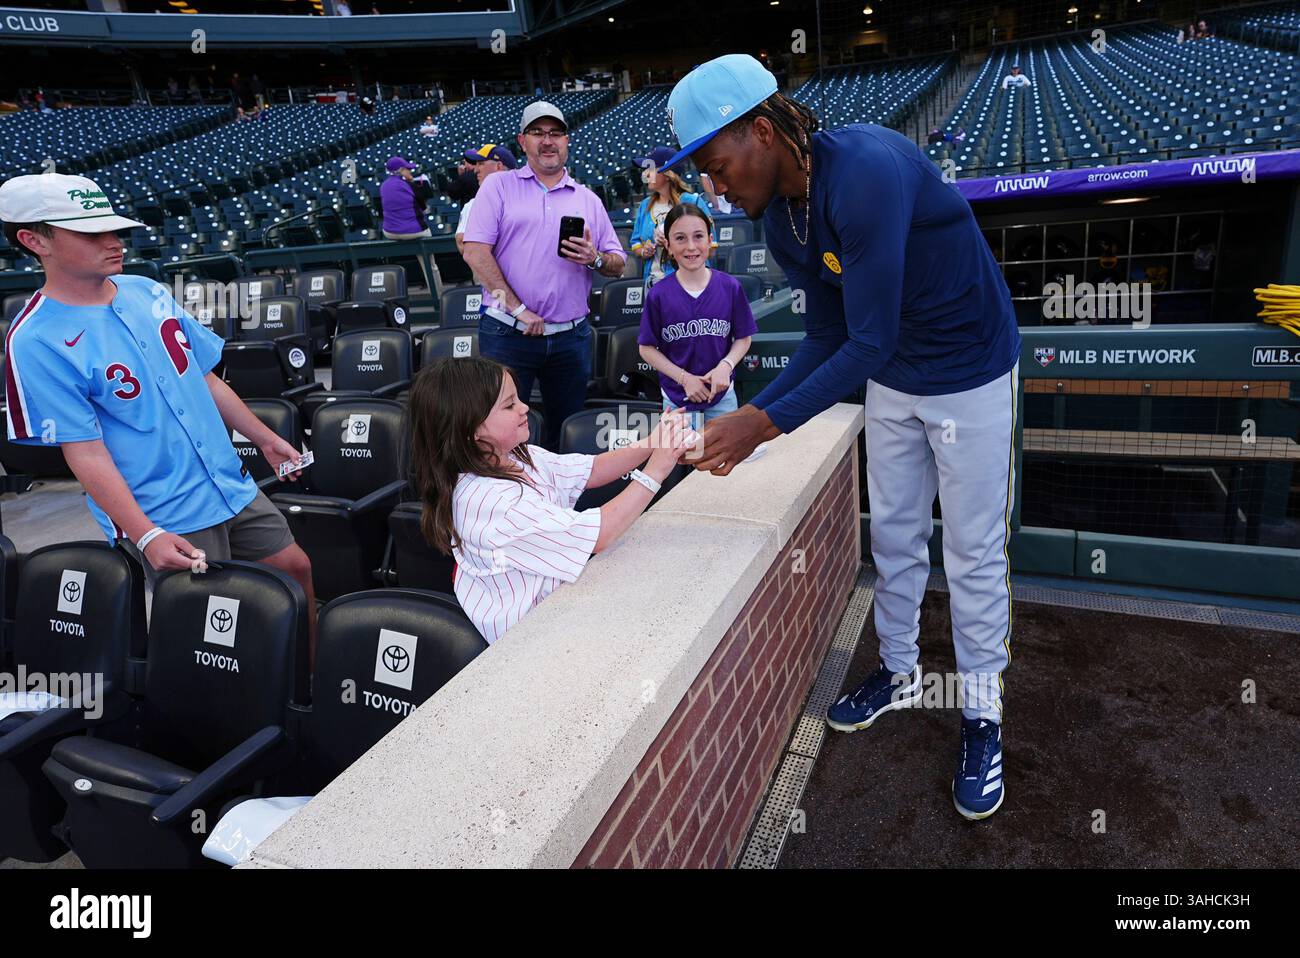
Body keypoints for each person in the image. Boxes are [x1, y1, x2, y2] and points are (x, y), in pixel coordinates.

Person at [663, 54, 1022, 821]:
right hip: (897, 373)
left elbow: (866, 339)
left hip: (969, 368)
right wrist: (754, 418)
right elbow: (826, 333)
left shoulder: (861, 170)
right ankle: (899, 673)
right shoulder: (777, 215)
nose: (713, 187)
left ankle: (983, 713)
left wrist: (759, 424)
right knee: (893, 536)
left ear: (763, 132)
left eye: (717, 165)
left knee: (970, 550)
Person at [0, 173, 318, 662]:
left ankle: (306, 678)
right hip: (164, 507)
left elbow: (205, 377)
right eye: (91, 234)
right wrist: (145, 534)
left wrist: (265, 438)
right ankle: (242, 714)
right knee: (218, 629)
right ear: (33, 240)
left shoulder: (144, 289)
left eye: (113, 230)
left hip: (227, 481)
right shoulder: (34, 338)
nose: (113, 243)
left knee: (293, 569)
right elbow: (83, 450)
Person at [408, 357, 692, 643]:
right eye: (509, 405)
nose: (524, 408)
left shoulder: (514, 454)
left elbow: (591, 470)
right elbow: (601, 534)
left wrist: (654, 441)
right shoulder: (494, 505)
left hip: (558, 608)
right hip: (533, 640)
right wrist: (657, 470)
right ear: (471, 430)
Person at [461, 101, 627, 450]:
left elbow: (618, 263)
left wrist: (594, 259)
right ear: (523, 141)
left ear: (567, 140)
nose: (547, 141)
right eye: (538, 133)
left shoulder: (588, 199)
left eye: (555, 133)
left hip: (571, 336)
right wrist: (519, 310)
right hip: (508, 333)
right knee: (500, 433)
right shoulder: (498, 187)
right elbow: (475, 253)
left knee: (565, 432)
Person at [638, 203, 756, 426]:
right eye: (680, 238)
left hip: (721, 395)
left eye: (698, 236)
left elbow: (743, 337)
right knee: (684, 457)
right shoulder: (659, 294)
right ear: (669, 246)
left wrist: (726, 365)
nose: (691, 246)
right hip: (677, 398)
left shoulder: (730, 287)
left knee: (723, 457)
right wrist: (684, 379)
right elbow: (646, 348)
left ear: (710, 240)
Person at [629, 145, 716, 287]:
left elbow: (711, 249)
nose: (645, 174)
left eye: (650, 168)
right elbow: (636, 243)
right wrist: (645, 251)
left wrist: (673, 245)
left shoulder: (694, 202)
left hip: (689, 283)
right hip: (654, 282)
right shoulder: (645, 206)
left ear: (668, 173)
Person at [455, 143, 515, 260]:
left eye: (481, 164)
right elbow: (463, 246)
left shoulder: (530, 197)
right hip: (490, 274)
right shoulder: (473, 204)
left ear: (498, 166)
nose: (476, 170)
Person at [380, 156, 433, 240]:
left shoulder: (383, 185)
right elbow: (423, 207)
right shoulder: (409, 185)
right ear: (401, 170)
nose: (410, 171)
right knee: (427, 235)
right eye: (408, 169)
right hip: (413, 231)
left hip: (389, 231)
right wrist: (411, 181)